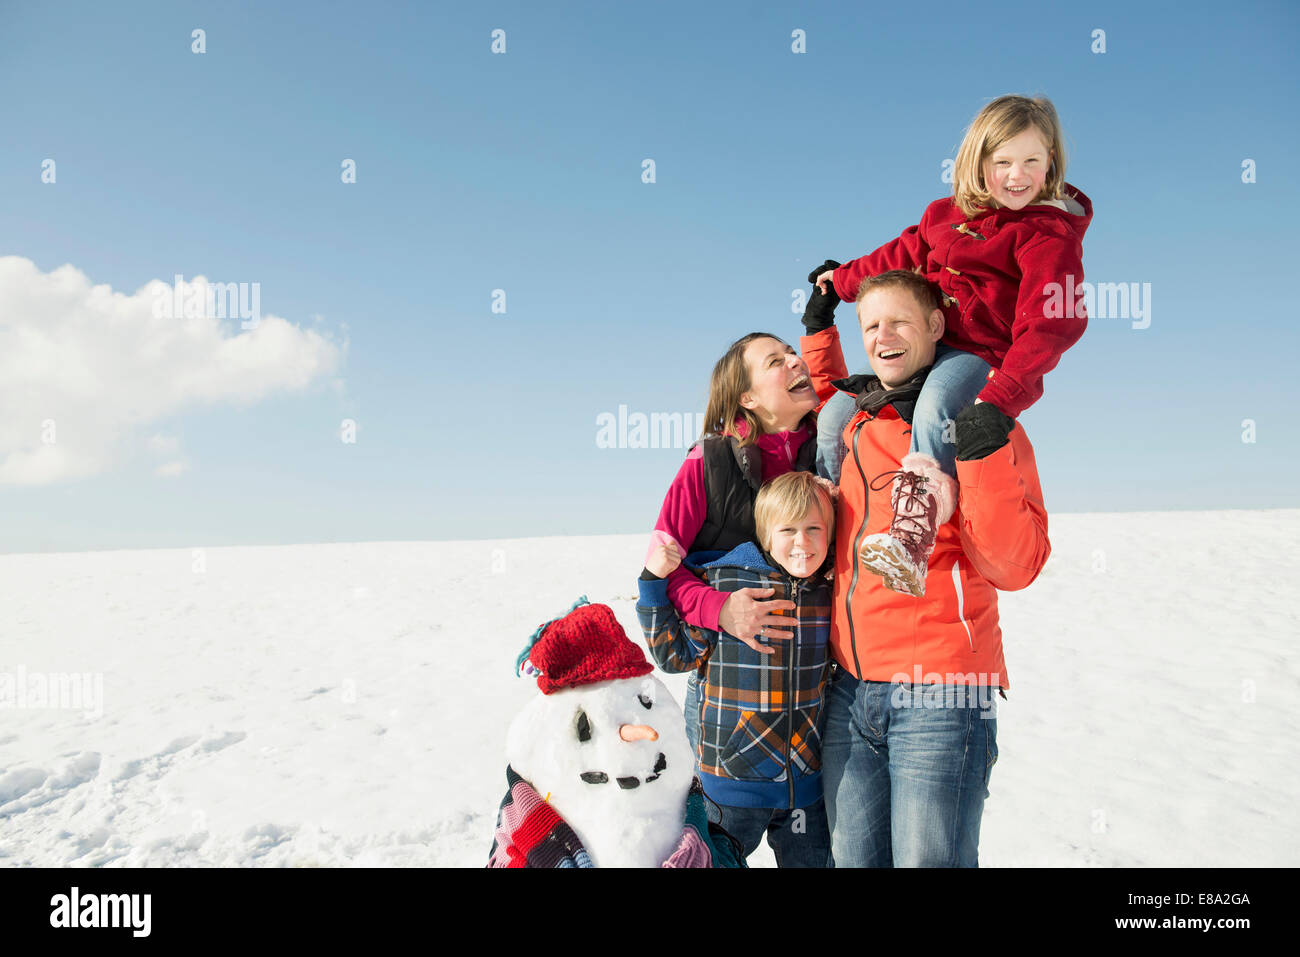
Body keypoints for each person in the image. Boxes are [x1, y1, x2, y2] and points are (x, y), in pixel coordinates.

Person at [800, 269, 1051, 868]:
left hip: (941, 691)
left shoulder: (982, 423)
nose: (883, 337)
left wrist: (979, 454)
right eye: (871, 327)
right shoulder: (860, 423)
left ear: (936, 326)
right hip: (849, 688)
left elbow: (1014, 566)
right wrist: (818, 325)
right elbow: (824, 385)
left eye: (899, 323)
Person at [809, 95, 1091, 597]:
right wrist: (843, 281)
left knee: (935, 403)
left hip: (979, 357)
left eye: (1032, 160)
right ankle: (828, 521)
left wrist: (1002, 398)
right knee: (835, 414)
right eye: (1002, 162)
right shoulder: (948, 216)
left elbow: (1053, 321)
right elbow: (900, 253)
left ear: (1052, 161)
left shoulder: (1047, 234)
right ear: (978, 163)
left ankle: (913, 533)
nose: (1017, 175)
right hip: (929, 346)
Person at [642, 292, 838, 747]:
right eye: (776, 360)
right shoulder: (707, 462)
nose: (795, 361)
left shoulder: (830, 452)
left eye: (793, 353)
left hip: (812, 699)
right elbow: (659, 568)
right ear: (747, 396)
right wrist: (722, 609)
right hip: (728, 700)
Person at [637, 471, 835, 867]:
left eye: (815, 528)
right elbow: (673, 656)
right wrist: (651, 584)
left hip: (805, 787)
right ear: (765, 535)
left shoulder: (829, 591)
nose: (802, 541)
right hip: (729, 787)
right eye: (788, 529)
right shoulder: (727, 587)